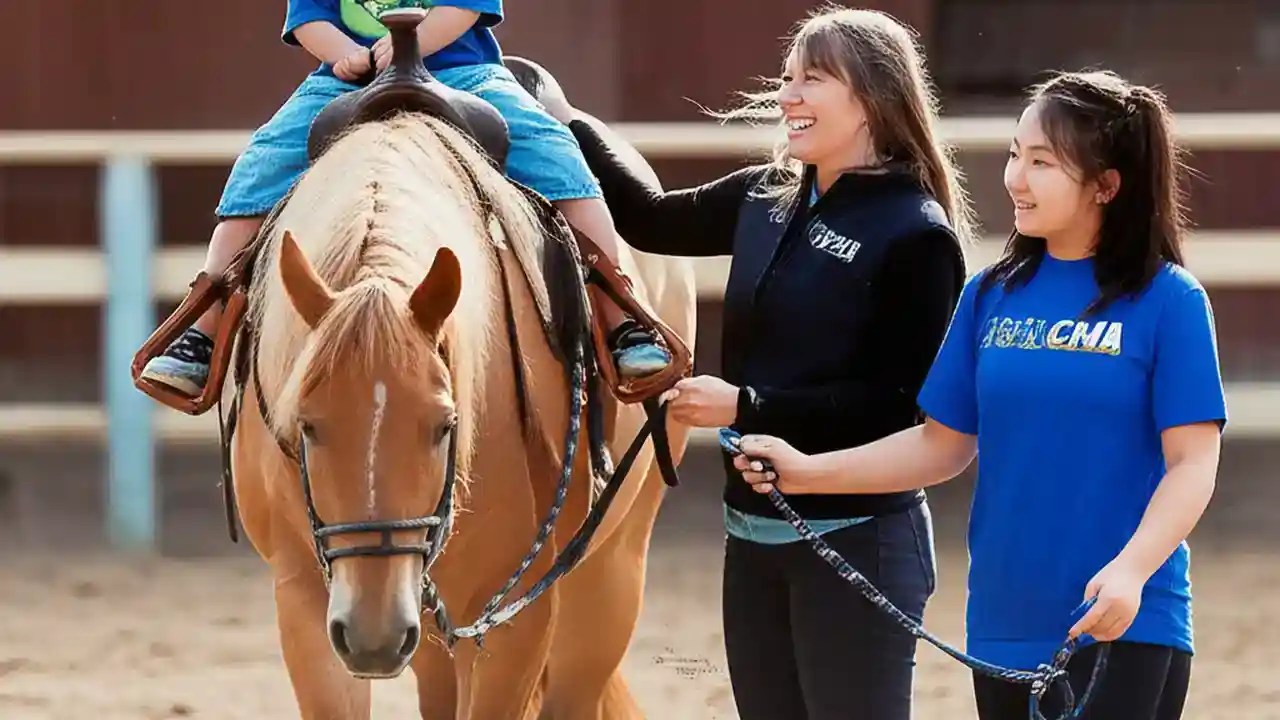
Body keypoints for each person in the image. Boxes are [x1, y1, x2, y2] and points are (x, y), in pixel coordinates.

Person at [733, 70, 1226, 720]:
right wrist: (808, 473)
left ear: (1107, 185)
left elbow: (1194, 463)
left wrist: (1132, 570)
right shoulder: (989, 295)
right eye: (1015, 154)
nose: (1015, 178)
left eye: (1042, 162)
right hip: (999, 627)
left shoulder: (1170, 302)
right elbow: (942, 444)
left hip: (1123, 625)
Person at [542, 7, 973, 718]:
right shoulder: (765, 196)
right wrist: (567, 122)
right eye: (787, 78)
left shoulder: (915, 233)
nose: (786, 97)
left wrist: (746, 407)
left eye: (812, 80)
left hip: (861, 541)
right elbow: (647, 216)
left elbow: (898, 404)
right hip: (752, 534)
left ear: (872, 97)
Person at [138, 0, 670, 397]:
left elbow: (466, 7)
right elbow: (307, 17)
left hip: (464, 72)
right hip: (343, 81)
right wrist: (344, 54)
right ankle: (204, 326)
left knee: (556, 156)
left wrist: (414, 43)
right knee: (262, 165)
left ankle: (620, 315)